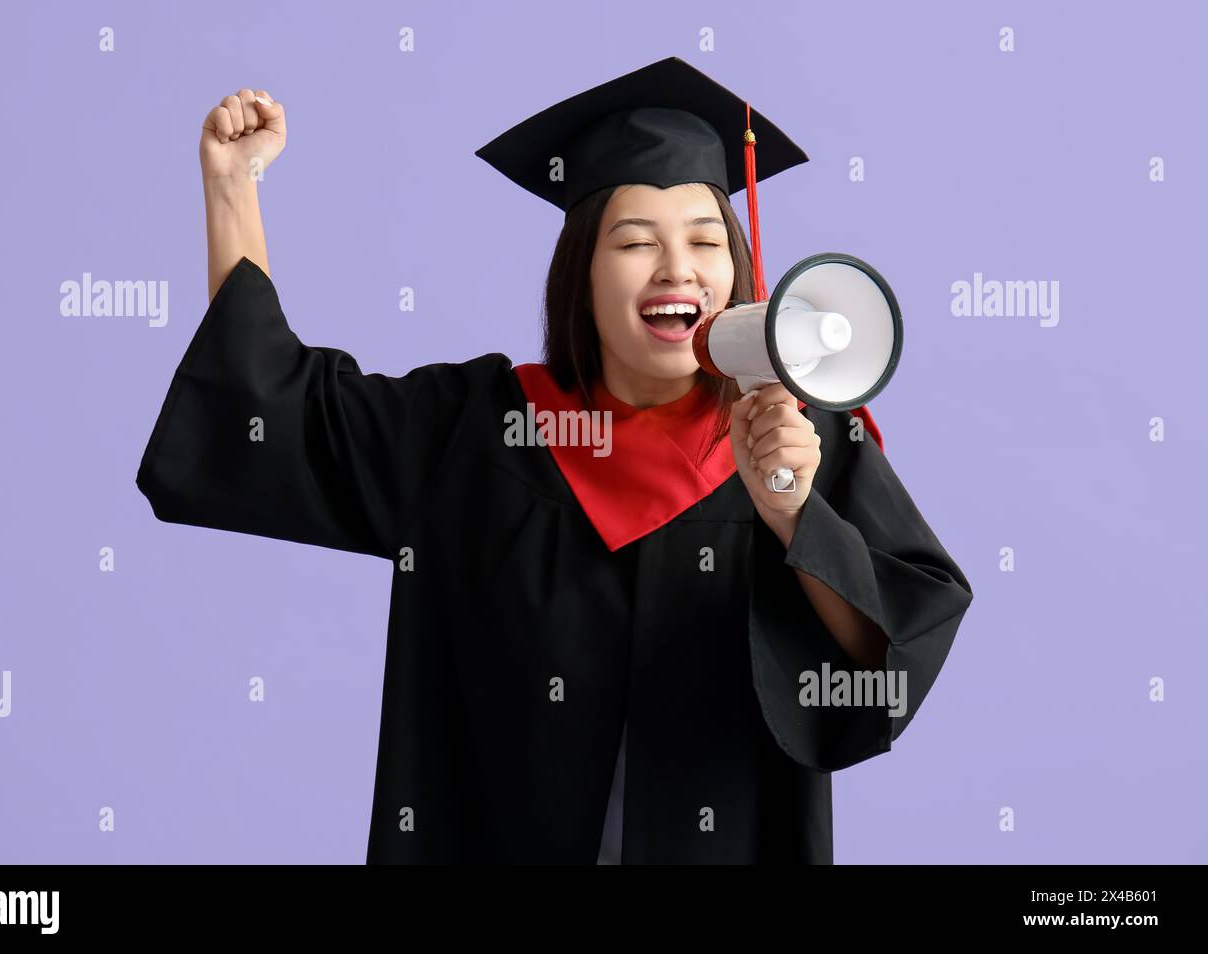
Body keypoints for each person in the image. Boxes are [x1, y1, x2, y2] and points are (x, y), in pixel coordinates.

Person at [136, 57, 974, 864]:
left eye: (705, 240)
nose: (678, 268)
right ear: (583, 276)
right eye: (635, 242)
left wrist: (795, 515)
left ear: (738, 266)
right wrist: (233, 188)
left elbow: (887, 664)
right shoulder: (477, 431)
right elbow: (272, 411)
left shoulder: (801, 434)